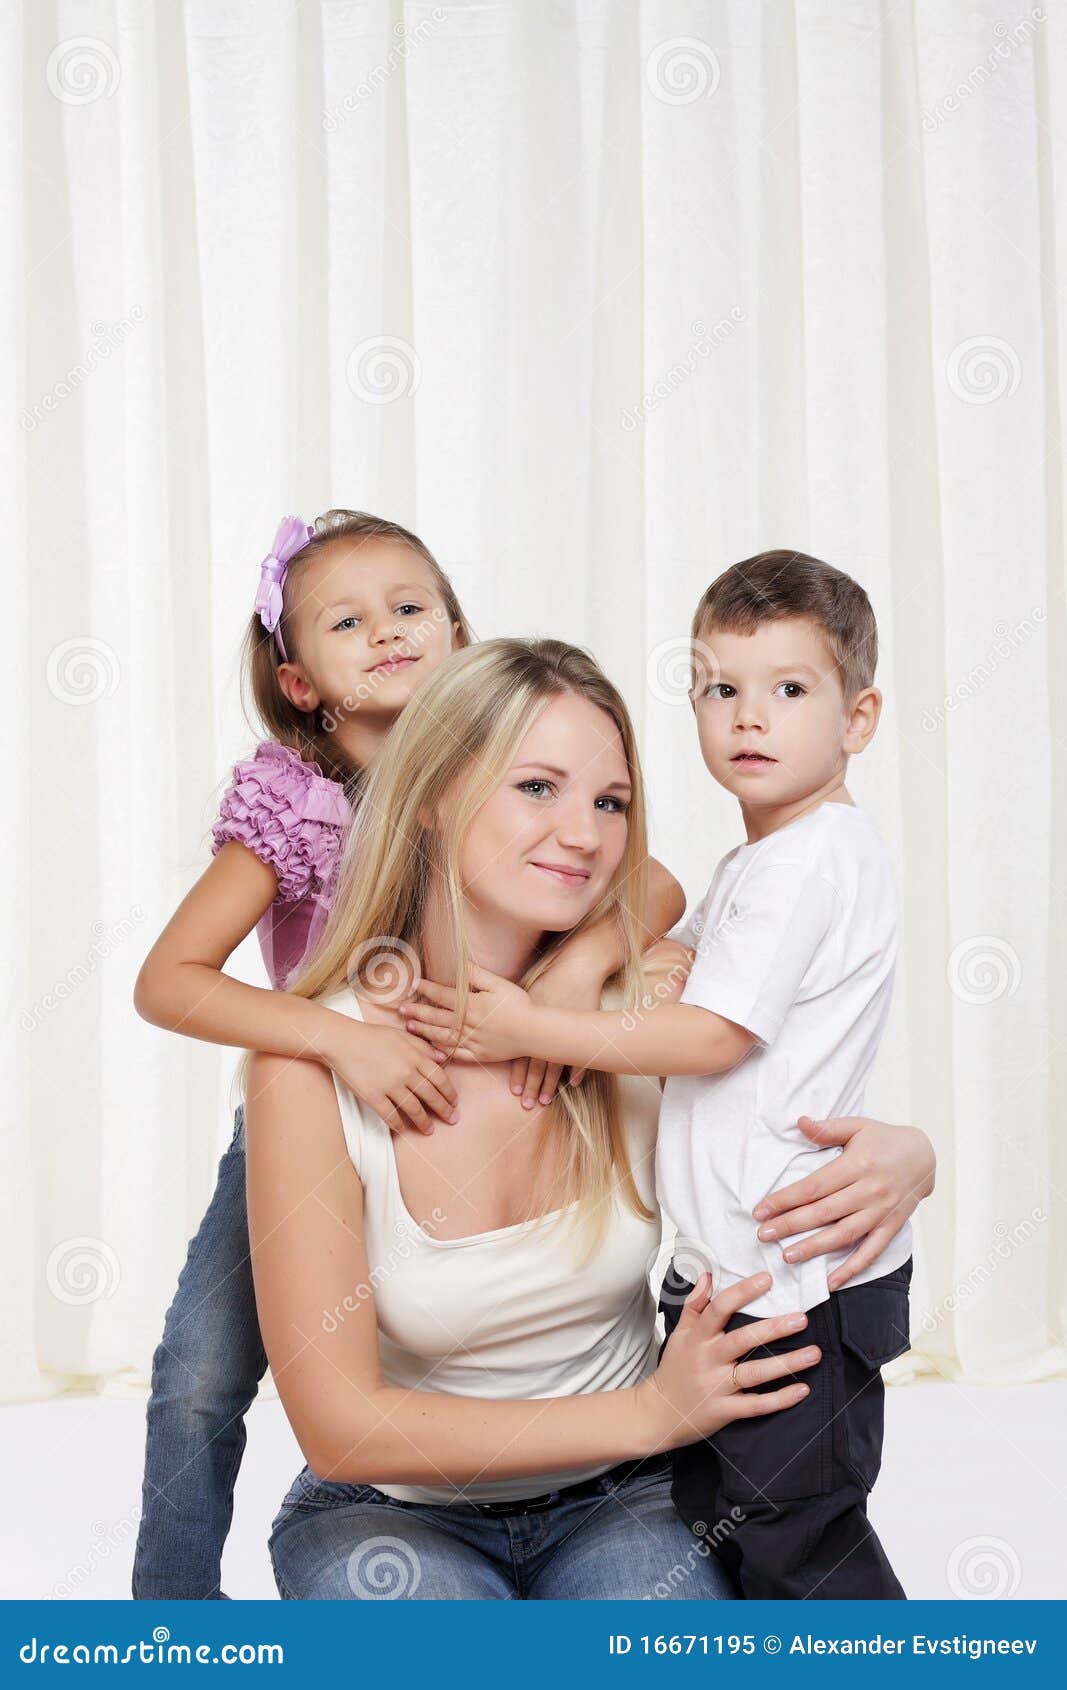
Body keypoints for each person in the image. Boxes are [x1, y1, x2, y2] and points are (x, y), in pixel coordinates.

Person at [246, 636, 934, 1600]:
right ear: (435, 792)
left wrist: (909, 1154)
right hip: (390, 1508)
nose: (584, 835)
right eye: (537, 788)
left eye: (609, 802)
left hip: (627, 1499)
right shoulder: (311, 1060)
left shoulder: (644, 1008)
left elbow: (784, 1095)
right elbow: (343, 1427)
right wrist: (656, 1411)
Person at [130, 514, 684, 1600]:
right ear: (299, 682)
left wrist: (568, 982)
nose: (387, 632)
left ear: (456, 633)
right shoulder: (296, 803)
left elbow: (646, 885)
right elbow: (168, 980)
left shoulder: (533, 786)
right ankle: (168, 1620)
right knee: (199, 1372)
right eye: (347, 621)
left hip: (459, 1059)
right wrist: (333, 1041)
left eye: (409, 608)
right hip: (323, 1078)